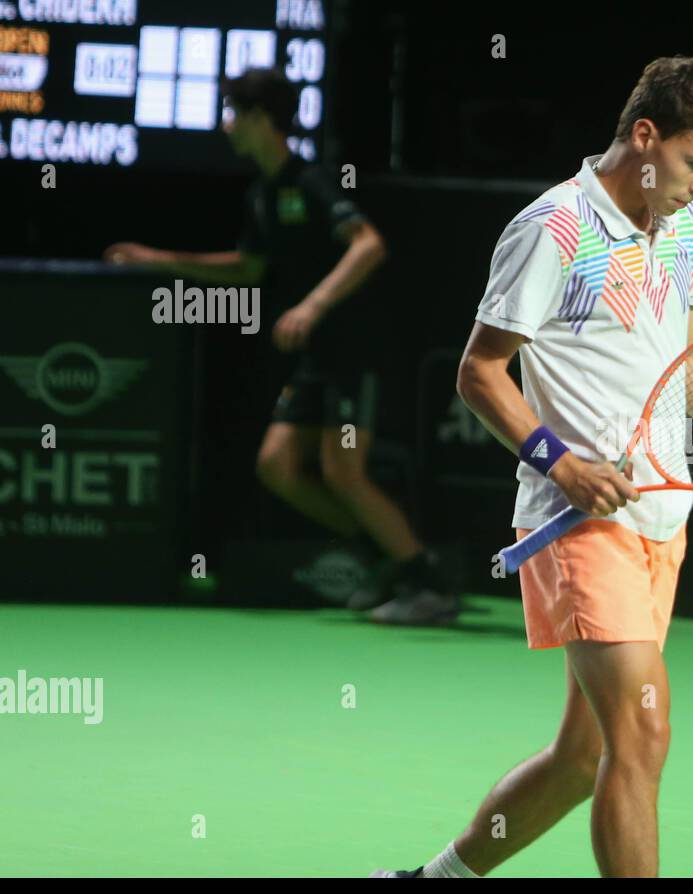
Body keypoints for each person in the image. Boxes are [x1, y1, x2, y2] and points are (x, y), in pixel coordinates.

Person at [372, 55, 693, 879]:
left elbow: (692, 358)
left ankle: (429, 881)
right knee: (645, 731)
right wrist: (564, 463)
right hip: (574, 524)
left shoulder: (684, 222)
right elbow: (479, 373)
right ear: (644, 138)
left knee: (585, 759)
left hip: (660, 521)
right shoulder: (552, 229)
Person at [104, 68, 457, 625]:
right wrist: (160, 259)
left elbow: (368, 245)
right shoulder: (263, 194)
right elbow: (248, 268)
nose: (226, 127)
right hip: (319, 357)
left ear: (260, 119)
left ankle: (427, 580)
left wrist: (312, 305)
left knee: (342, 470)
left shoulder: (312, 179)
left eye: (233, 115)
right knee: (276, 465)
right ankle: (382, 554)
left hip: (354, 349)